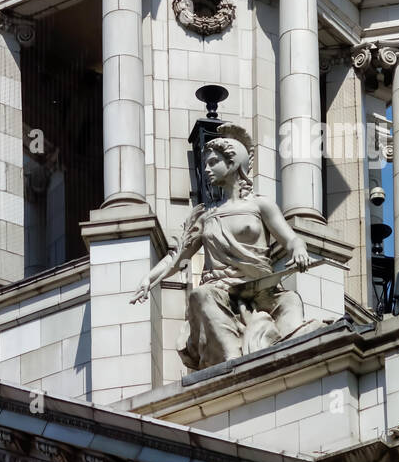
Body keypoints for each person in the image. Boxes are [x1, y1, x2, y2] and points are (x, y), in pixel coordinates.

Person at [131, 126, 320, 370]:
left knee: (291, 301)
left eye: (213, 162)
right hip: (221, 291)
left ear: (233, 163)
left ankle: (292, 352)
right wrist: (149, 278)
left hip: (262, 290)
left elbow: (292, 240)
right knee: (201, 295)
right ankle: (233, 362)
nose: (207, 170)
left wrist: (299, 251)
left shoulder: (260, 205)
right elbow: (176, 259)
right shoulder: (205, 216)